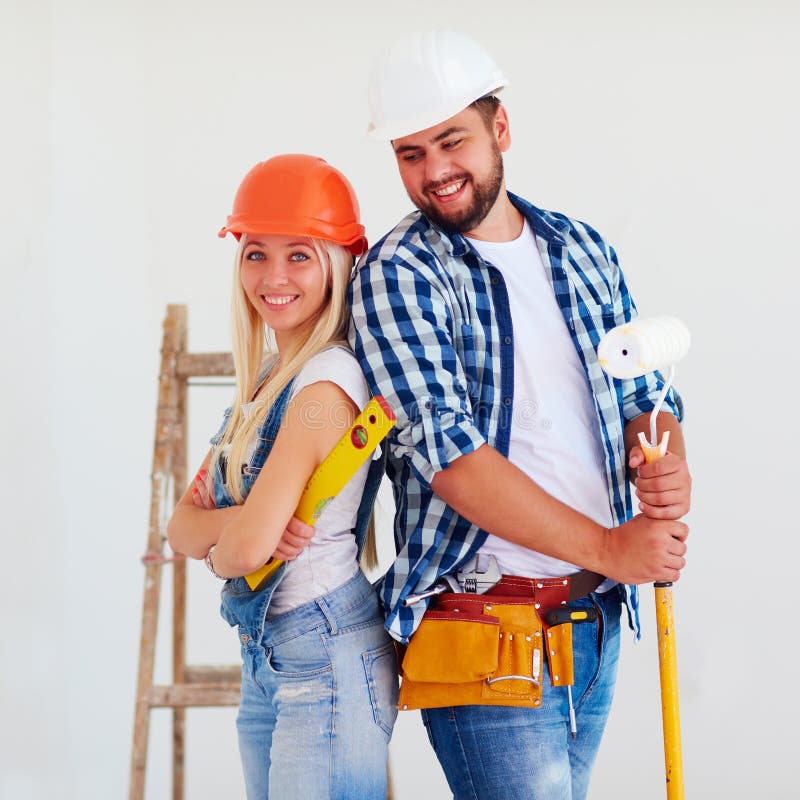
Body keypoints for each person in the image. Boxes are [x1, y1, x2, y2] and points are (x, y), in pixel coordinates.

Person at [349, 30, 692, 800]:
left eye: (452, 141)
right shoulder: (400, 275)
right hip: (485, 629)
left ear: (499, 128)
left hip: (593, 620)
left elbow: (644, 396)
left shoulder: (582, 248)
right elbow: (452, 460)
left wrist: (666, 461)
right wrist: (613, 545)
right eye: (410, 153)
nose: (435, 171)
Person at [167, 154, 398, 799]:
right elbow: (180, 528)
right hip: (269, 653)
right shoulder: (271, 378)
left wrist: (226, 547)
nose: (273, 277)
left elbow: (241, 552)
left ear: (338, 263)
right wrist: (244, 529)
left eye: (299, 255)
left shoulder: (325, 386)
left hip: (323, 653)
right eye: (255, 254)